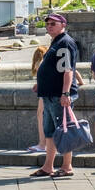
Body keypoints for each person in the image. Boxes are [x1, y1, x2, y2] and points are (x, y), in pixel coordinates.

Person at [32, 13, 79, 178]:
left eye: (53, 23)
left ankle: (67, 166)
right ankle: (48, 166)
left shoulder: (65, 42)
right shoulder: (56, 42)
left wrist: (65, 93)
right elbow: (53, 68)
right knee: (50, 132)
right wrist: (41, 83)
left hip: (59, 96)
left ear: (63, 25)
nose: (49, 26)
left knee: (63, 131)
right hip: (49, 94)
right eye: (47, 24)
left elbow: (68, 71)